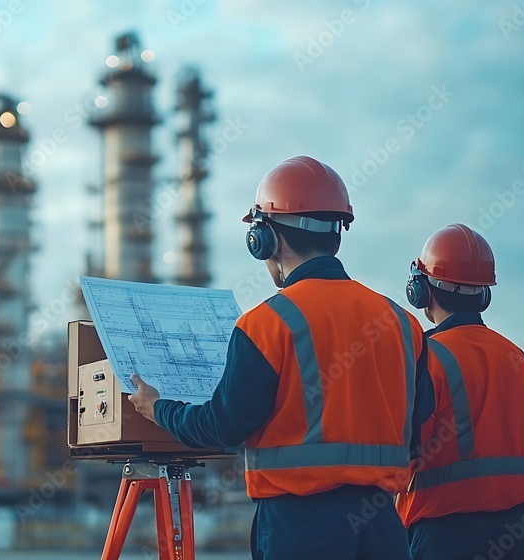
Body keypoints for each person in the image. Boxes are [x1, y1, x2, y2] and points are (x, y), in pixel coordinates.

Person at [129, 155, 424, 559]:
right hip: (384, 529)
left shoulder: (265, 324)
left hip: (299, 529)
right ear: (336, 236)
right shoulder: (403, 324)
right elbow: (423, 432)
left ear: (265, 240)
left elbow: (221, 427)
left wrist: (158, 407)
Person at [396, 223, 524, 560]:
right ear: (484, 294)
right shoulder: (518, 358)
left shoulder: (425, 357)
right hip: (515, 533)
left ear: (420, 289)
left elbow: (402, 451)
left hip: (443, 535)